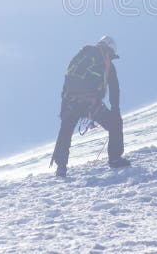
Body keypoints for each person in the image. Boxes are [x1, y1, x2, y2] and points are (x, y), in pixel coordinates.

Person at [50, 35, 129, 176]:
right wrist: (115, 109)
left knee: (65, 131)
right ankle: (115, 159)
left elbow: (68, 79)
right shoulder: (107, 64)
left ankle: (61, 166)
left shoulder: (83, 55)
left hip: (70, 102)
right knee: (115, 123)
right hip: (91, 104)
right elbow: (114, 89)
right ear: (110, 50)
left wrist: (64, 107)